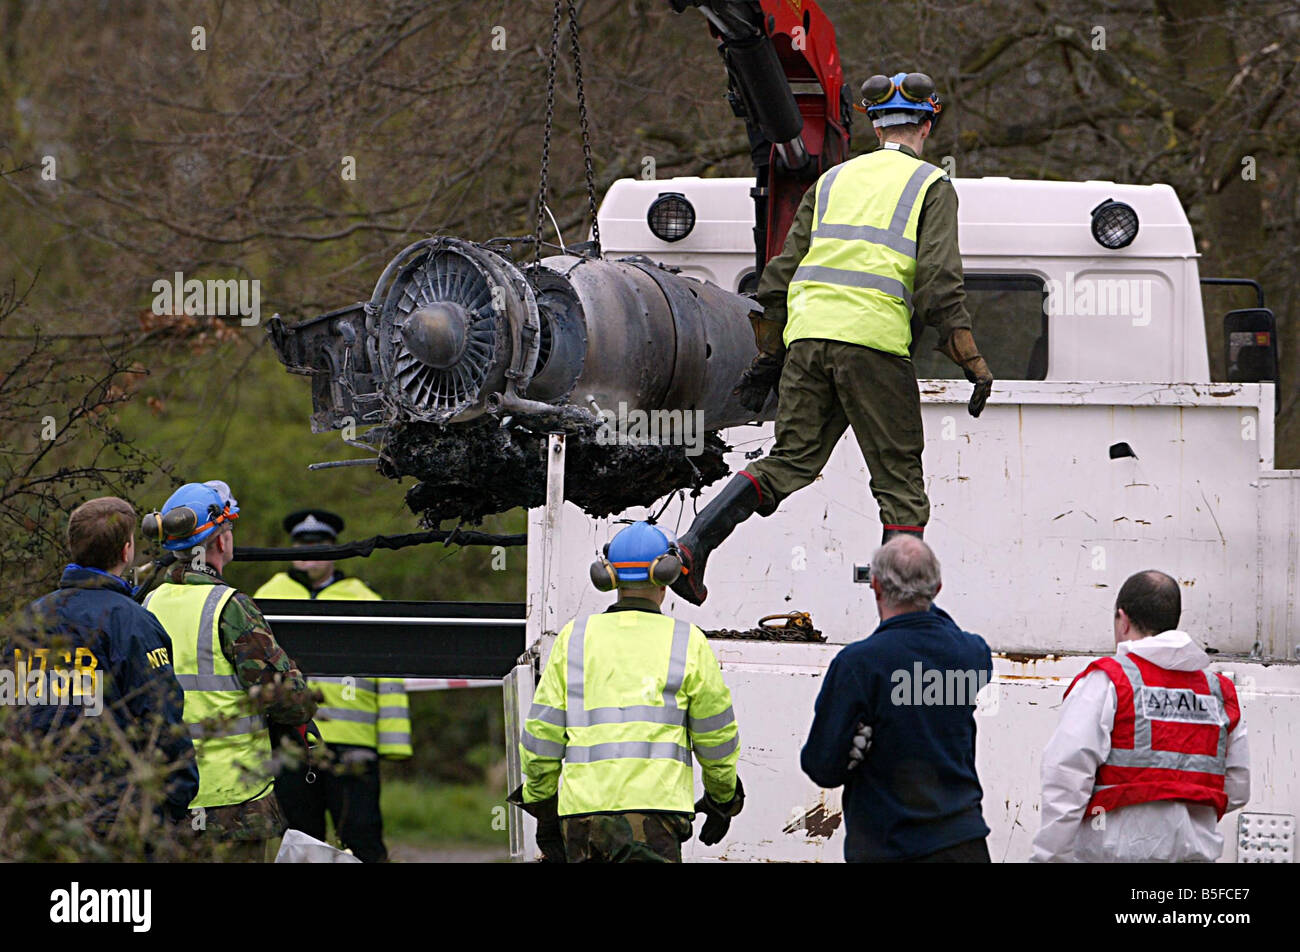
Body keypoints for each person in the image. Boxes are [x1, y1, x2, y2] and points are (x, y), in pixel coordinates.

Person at [672, 70, 995, 605]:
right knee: (900, 488)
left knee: (789, 462)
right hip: (874, 347)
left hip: (808, 343)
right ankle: (900, 612)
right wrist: (971, 357)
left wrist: (772, 355)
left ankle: (690, 548)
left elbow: (778, 275)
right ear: (927, 126)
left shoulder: (831, 182)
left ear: (872, 126)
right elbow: (938, 281)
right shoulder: (932, 185)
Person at [512, 521, 743, 863]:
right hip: (654, 818)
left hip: (581, 818)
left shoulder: (574, 639)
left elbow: (541, 738)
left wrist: (544, 806)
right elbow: (716, 737)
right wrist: (722, 798)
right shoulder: (687, 641)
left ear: (609, 575)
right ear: (668, 574)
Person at [2, 497, 198, 851]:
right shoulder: (131, 622)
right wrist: (174, 801)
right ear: (126, 552)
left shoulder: (28, 620)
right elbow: (161, 721)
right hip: (114, 816)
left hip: (33, 810)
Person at [141, 480, 317, 862]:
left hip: (167, 798)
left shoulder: (148, 603)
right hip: (233, 804)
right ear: (220, 542)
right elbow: (291, 703)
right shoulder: (230, 607)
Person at [1031, 570, 1250, 863]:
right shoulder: (1218, 692)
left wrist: (1050, 857)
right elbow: (1237, 789)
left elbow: (1067, 776)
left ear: (1123, 620)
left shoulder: (1109, 681)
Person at [801, 535, 993, 862]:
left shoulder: (858, 666)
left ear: (875, 585)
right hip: (964, 844)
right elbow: (942, 636)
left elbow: (822, 768)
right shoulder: (972, 654)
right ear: (938, 589)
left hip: (888, 846)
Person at [253, 508, 411, 863]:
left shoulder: (364, 598)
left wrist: (393, 742)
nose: (309, 552)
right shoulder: (266, 597)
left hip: (353, 746)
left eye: (319, 544)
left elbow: (388, 674)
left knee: (362, 839)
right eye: (301, 544)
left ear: (334, 549)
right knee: (299, 844)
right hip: (291, 743)